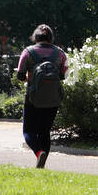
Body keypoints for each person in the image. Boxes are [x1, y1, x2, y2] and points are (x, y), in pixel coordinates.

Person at [16, 25, 67, 169]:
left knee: (28, 131)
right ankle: (42, 163)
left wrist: (31, 78)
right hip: (53, 98)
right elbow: (63, 75)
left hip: (32, 97)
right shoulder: (60, 53)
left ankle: (39, 153)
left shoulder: (28, 52)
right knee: (45, 132)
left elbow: (20, 75)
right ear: (51, 37)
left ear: (35, 37)